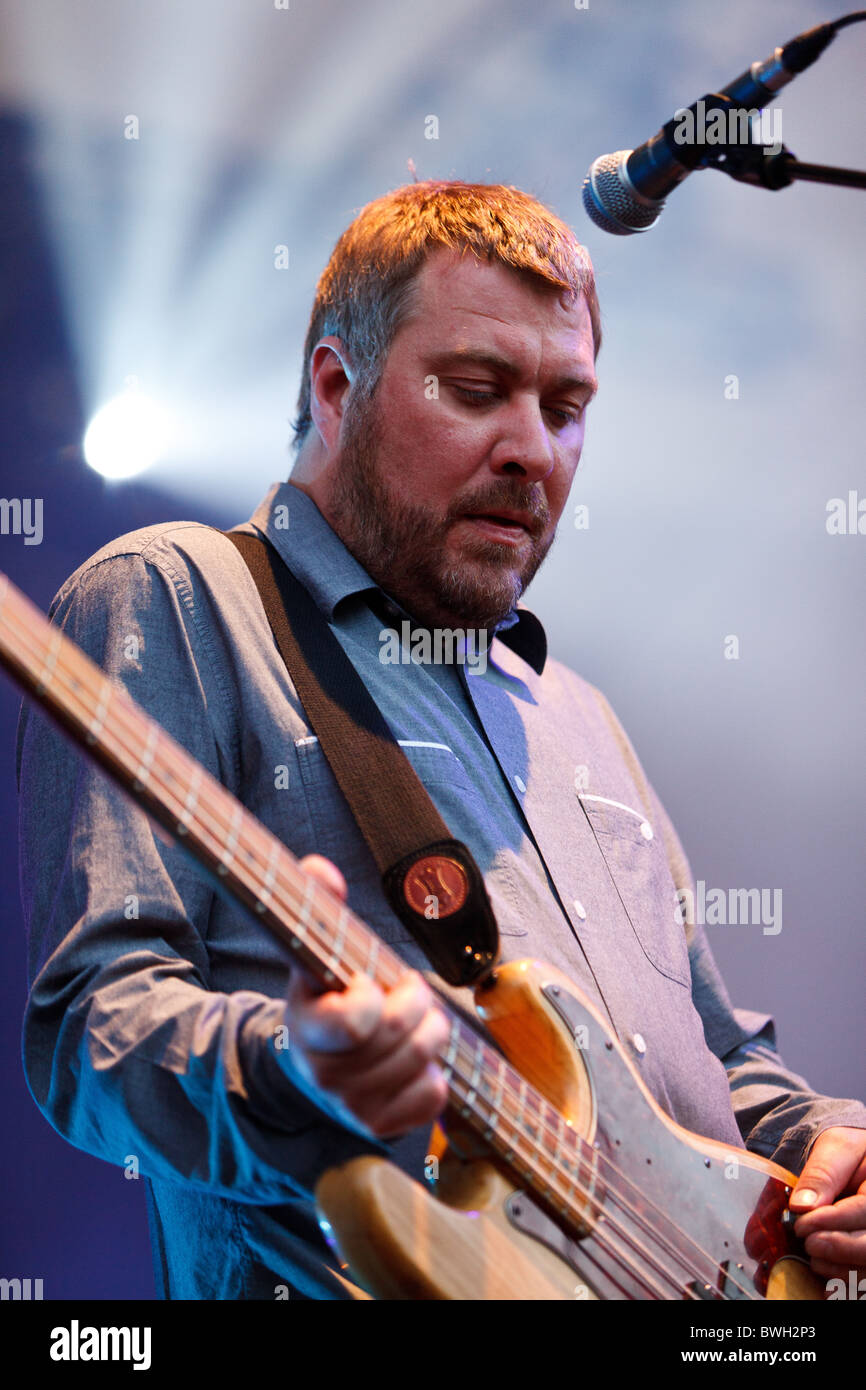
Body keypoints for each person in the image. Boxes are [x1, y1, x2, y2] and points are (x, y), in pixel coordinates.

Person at [17, 181, 866, 1301]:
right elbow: (90, 1031)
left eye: (566, 408)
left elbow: (714, 1065)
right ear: (335, 385)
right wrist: (293, 1064)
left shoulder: (575, 713)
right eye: (476, 390)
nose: (532, 449)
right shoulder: (178, 598)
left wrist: (827, 1144)